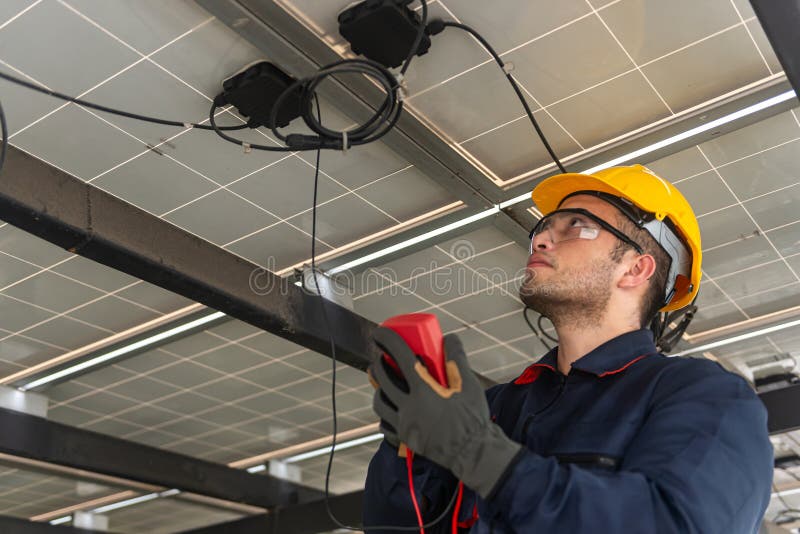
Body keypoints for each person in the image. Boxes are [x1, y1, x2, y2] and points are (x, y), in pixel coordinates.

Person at [364, 165, 773, 533]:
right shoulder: (492, 407)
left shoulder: (708, 398)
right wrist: (407, 446)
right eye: (543, 227)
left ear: (636, 268)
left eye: (576, 225)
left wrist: (479, 453)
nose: (540, 238)